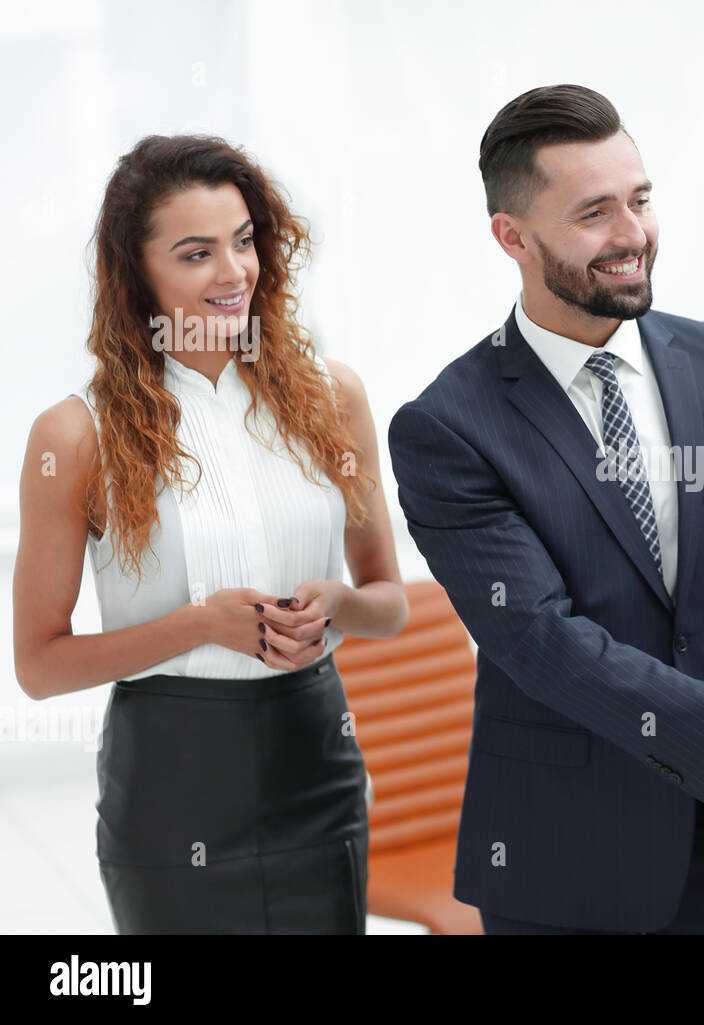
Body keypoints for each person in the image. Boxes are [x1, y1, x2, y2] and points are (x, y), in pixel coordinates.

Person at [388, 84, 704, 935]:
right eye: (594, 213)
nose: (632, 236)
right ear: (512, 236)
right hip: (567, 862)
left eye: (641, 199)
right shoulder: (448, 427)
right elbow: (540, 641)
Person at [13, 134, 408, 934]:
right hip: (169, 783)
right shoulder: (74, 435)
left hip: (316, 767)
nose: (233, 273)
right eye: (196, 253)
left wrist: (338, 602)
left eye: (244, 241)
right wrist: (199, 624)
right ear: (138, 270)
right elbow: (39, 667)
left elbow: (391, 603)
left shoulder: (334, 398)